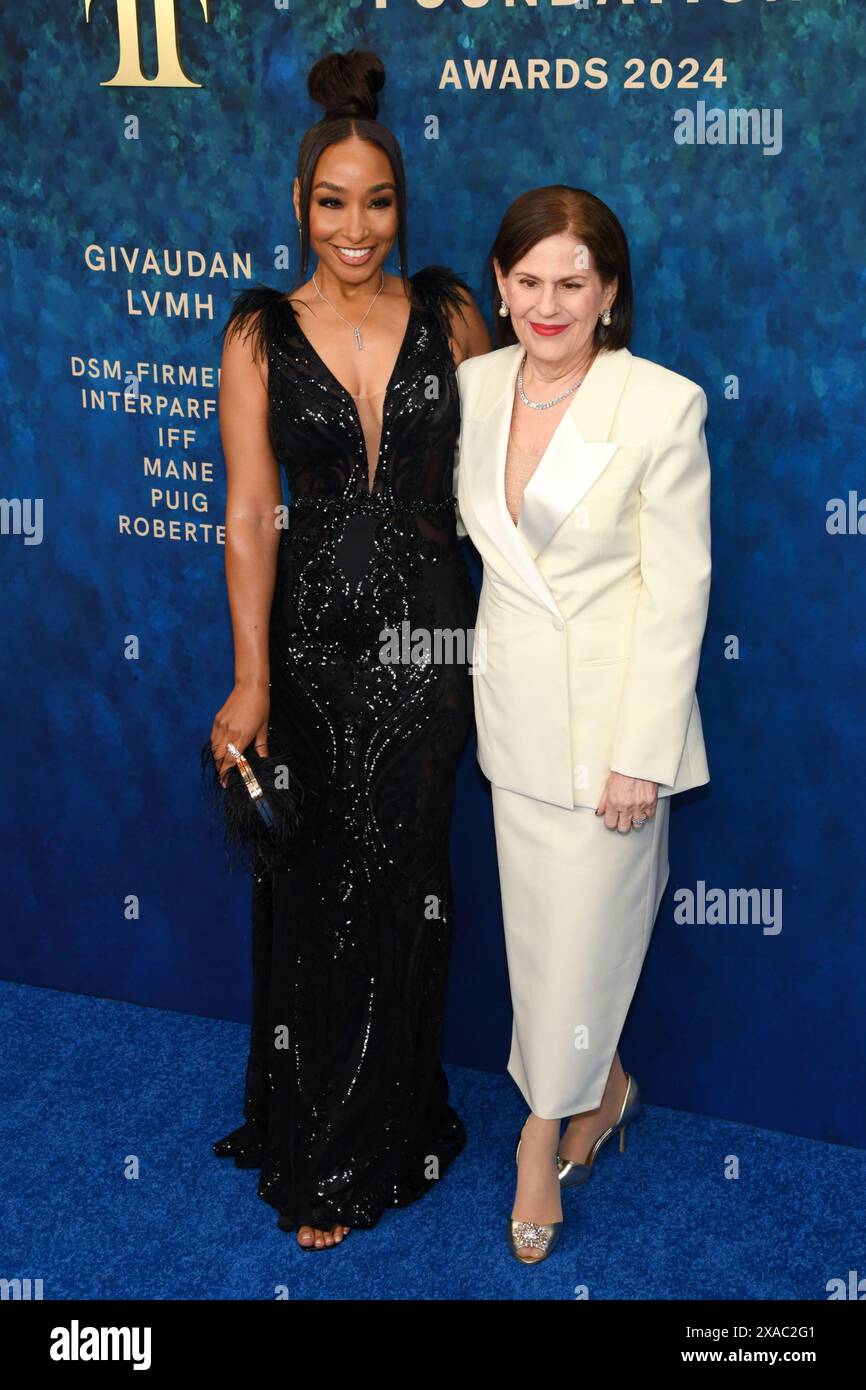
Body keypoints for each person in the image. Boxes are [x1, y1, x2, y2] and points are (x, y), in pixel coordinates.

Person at [209, 48, 490, 1251]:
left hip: (430, 643)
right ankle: (317, 1140)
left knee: (409, 883)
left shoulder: (452, 315)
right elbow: (244, 513)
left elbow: (501, 489)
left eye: (377, 202)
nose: (356, 226)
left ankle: (395, 1122)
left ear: (401, 205)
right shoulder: (260, 334)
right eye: (334, 202)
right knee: (321, 883)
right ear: (299, 205)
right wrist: (251, 675)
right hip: (312, 648)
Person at [454, 186, 711, 1262]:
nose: (547, 304)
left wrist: (638, 756)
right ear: (500, 287)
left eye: (572, 282)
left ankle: (537, 1134)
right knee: (539, 940)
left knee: (586, 941)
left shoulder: (659, 404)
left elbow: (676, 590)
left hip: (613, 734)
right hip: (514, 717)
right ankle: (600, 1084)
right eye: (527, 281)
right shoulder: (471, 387)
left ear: (609, 294)